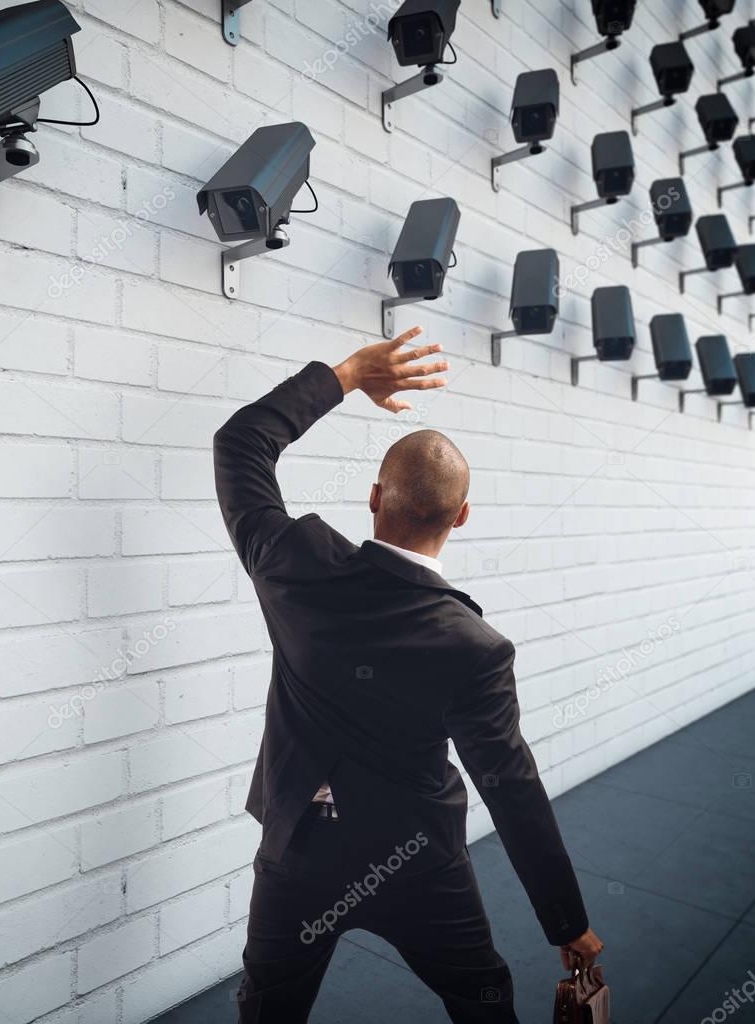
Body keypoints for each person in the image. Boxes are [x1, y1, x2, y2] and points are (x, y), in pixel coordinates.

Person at [213, 327, 603, 1023]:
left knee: (268, 1013)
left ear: (374, 496)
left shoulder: (295, 564)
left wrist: (349, 373)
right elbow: (511, 787)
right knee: (485, 1005)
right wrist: (566, 922)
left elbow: (241, 442)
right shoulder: (475, 647)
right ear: (462, 516)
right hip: (419, 866)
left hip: (299, 855)